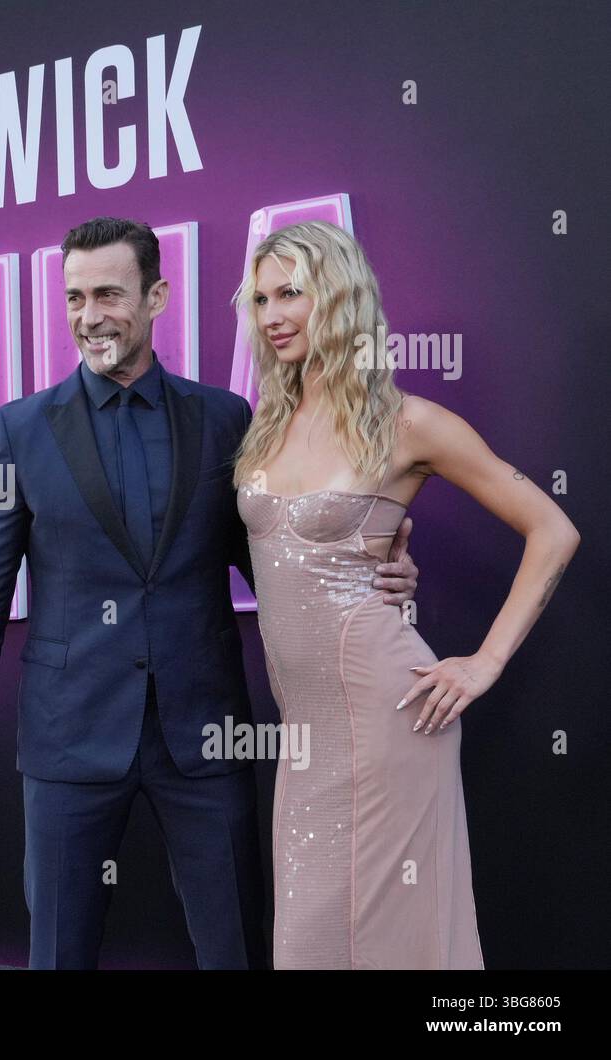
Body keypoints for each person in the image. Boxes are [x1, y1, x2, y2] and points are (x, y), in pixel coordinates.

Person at [0, 217, 420, 969]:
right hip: (70, 738)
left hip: (208, 734)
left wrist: (365, 574)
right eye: (73, 298)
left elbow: (272, 561)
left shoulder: (225, 417)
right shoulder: (21, 431)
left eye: (108, 294)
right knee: (59, 952)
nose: (89, 316)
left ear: (156, 295)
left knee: (234, 946)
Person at [232, 220, 580, 969]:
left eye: (292, 293)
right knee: (310, 941)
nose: (274, 316)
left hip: (388, 716)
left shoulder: (409, 422)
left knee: (390, 938)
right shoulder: (266, 422)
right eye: (261, 299)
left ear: (342, 294)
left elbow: (553, 529)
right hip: (304, 736)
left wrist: (485, 661)